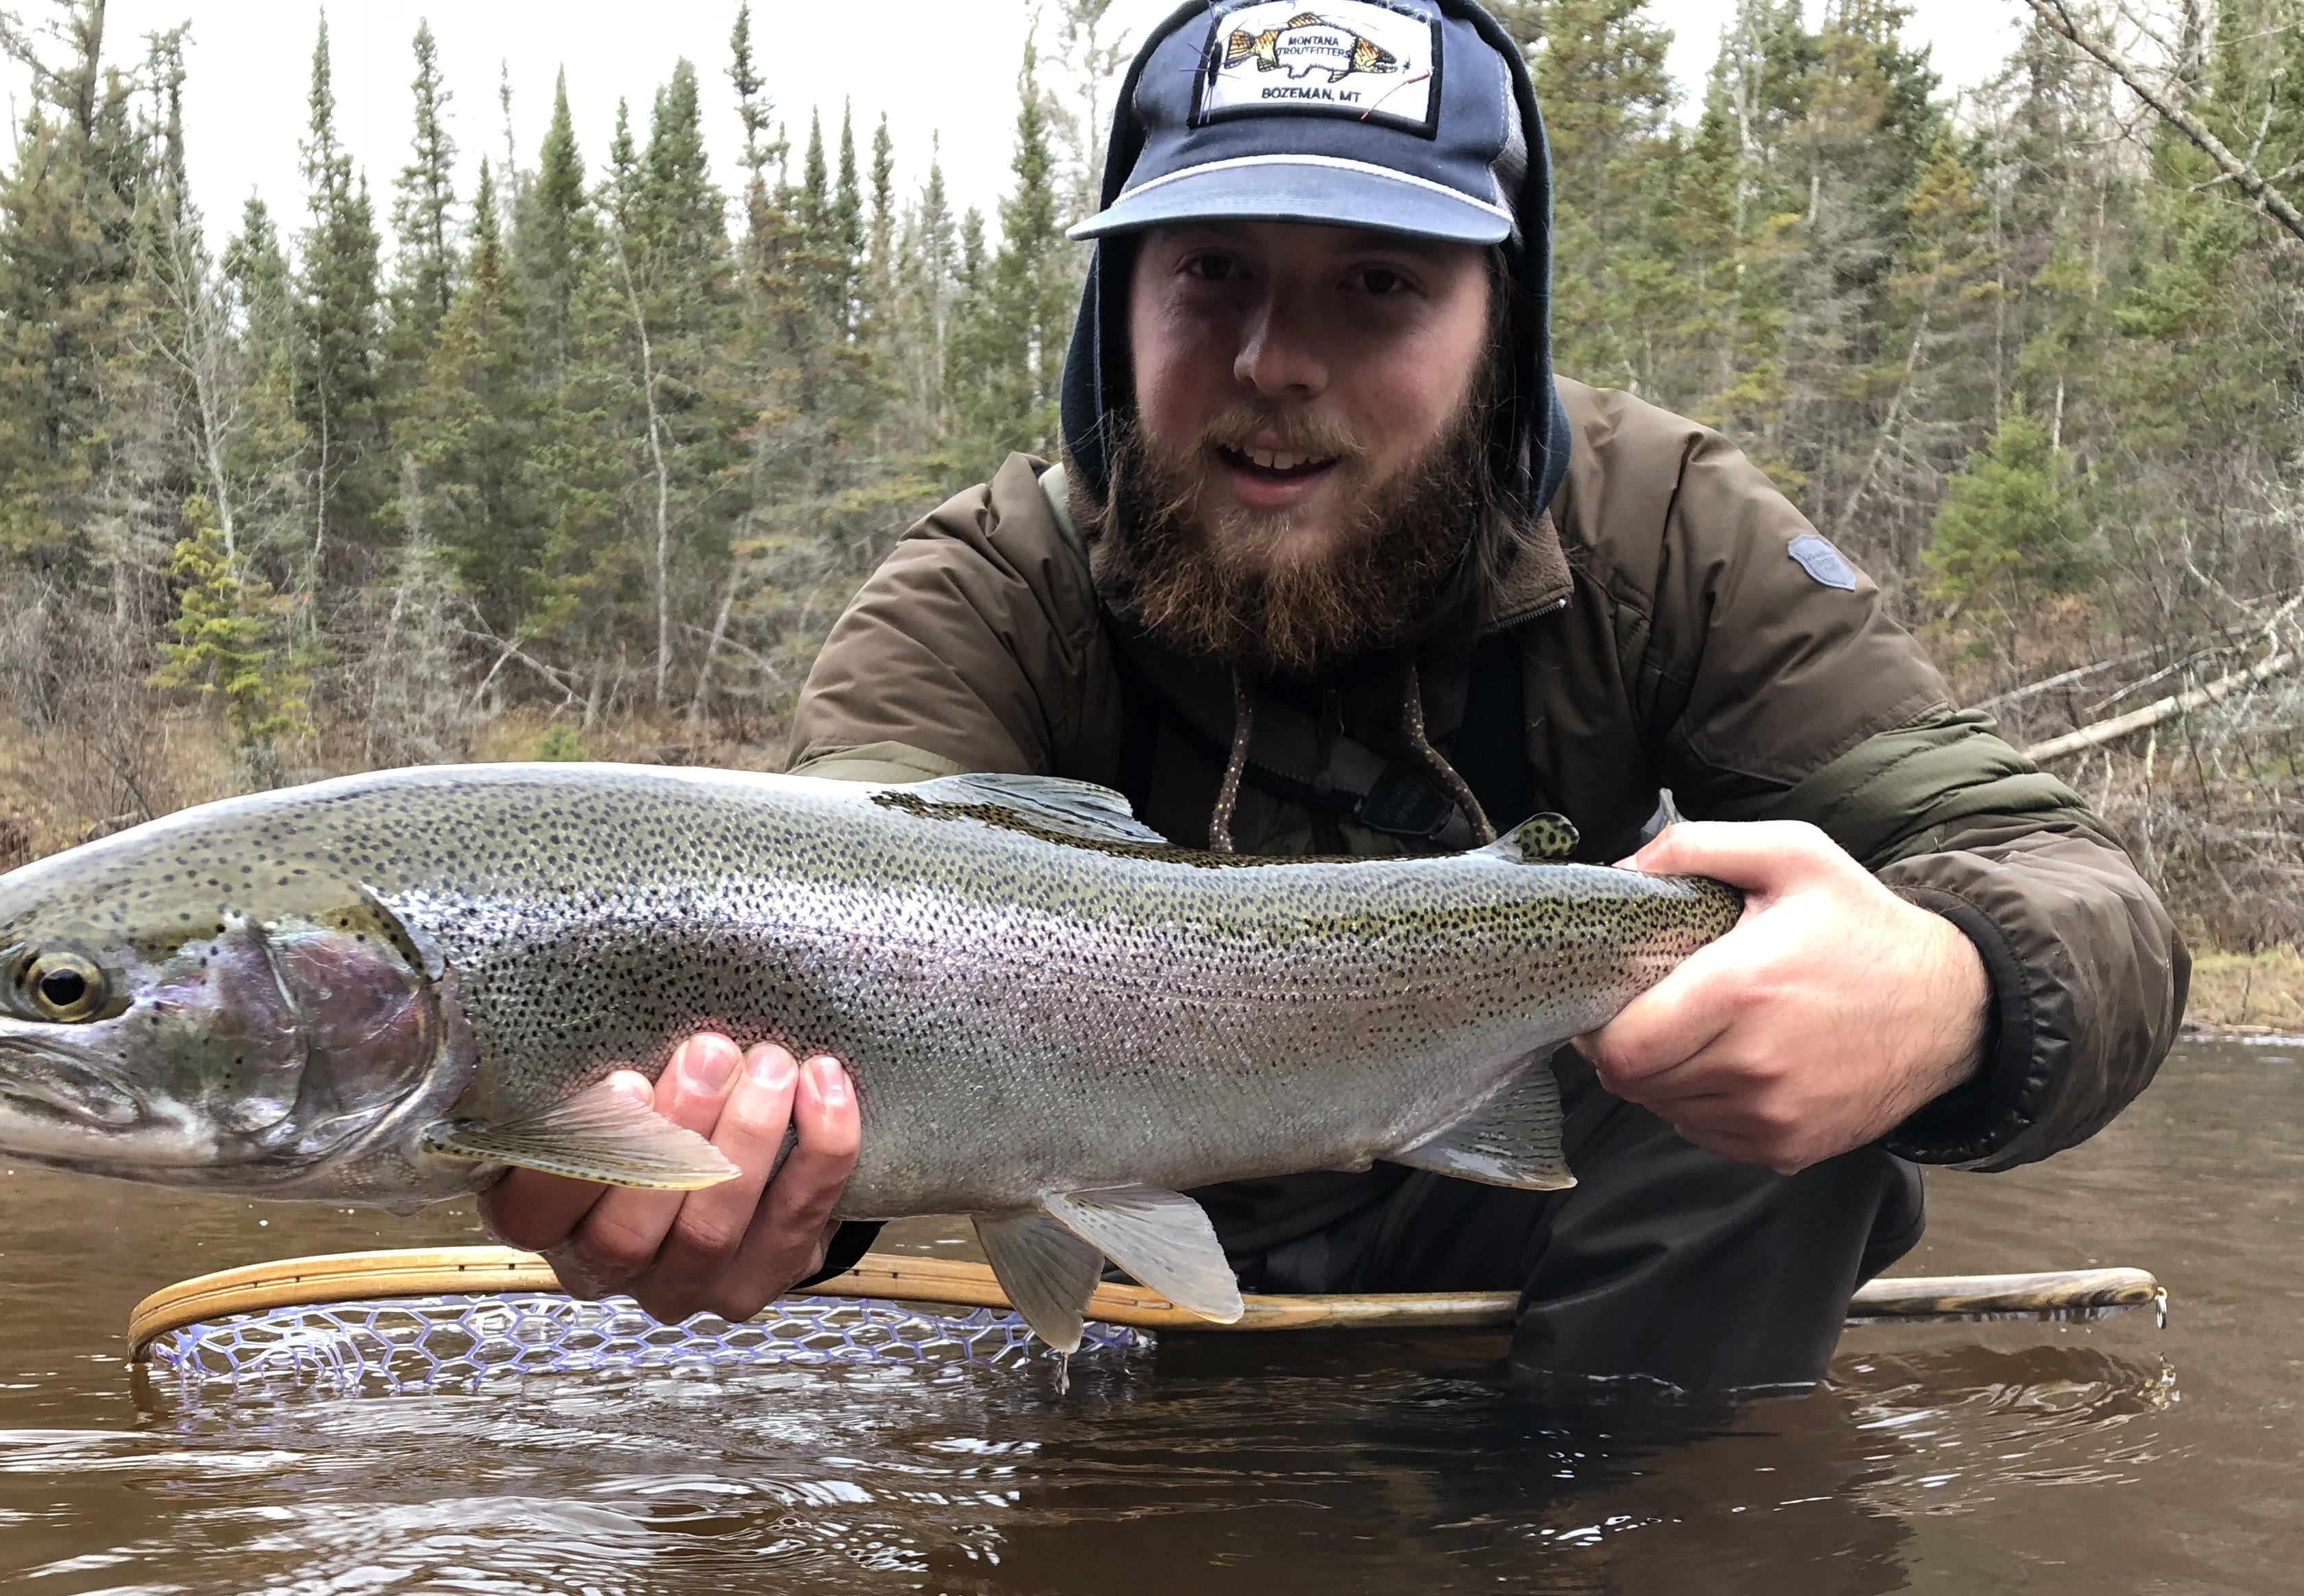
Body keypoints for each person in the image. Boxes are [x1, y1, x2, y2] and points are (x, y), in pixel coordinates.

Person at [484, 0, 2187, 1388]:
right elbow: (808, 945)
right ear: (1119, 307)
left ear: (1498, 325)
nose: (1276, 361)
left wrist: (1958, 989)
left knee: (1765, 1025)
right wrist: (750, 1184)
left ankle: (1600, 1577)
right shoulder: (987, 593)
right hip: (1141, 1246)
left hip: (1541, 1207)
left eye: (1379, 282)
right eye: (1211, 270)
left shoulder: (1669, 529)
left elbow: (2070, 884)